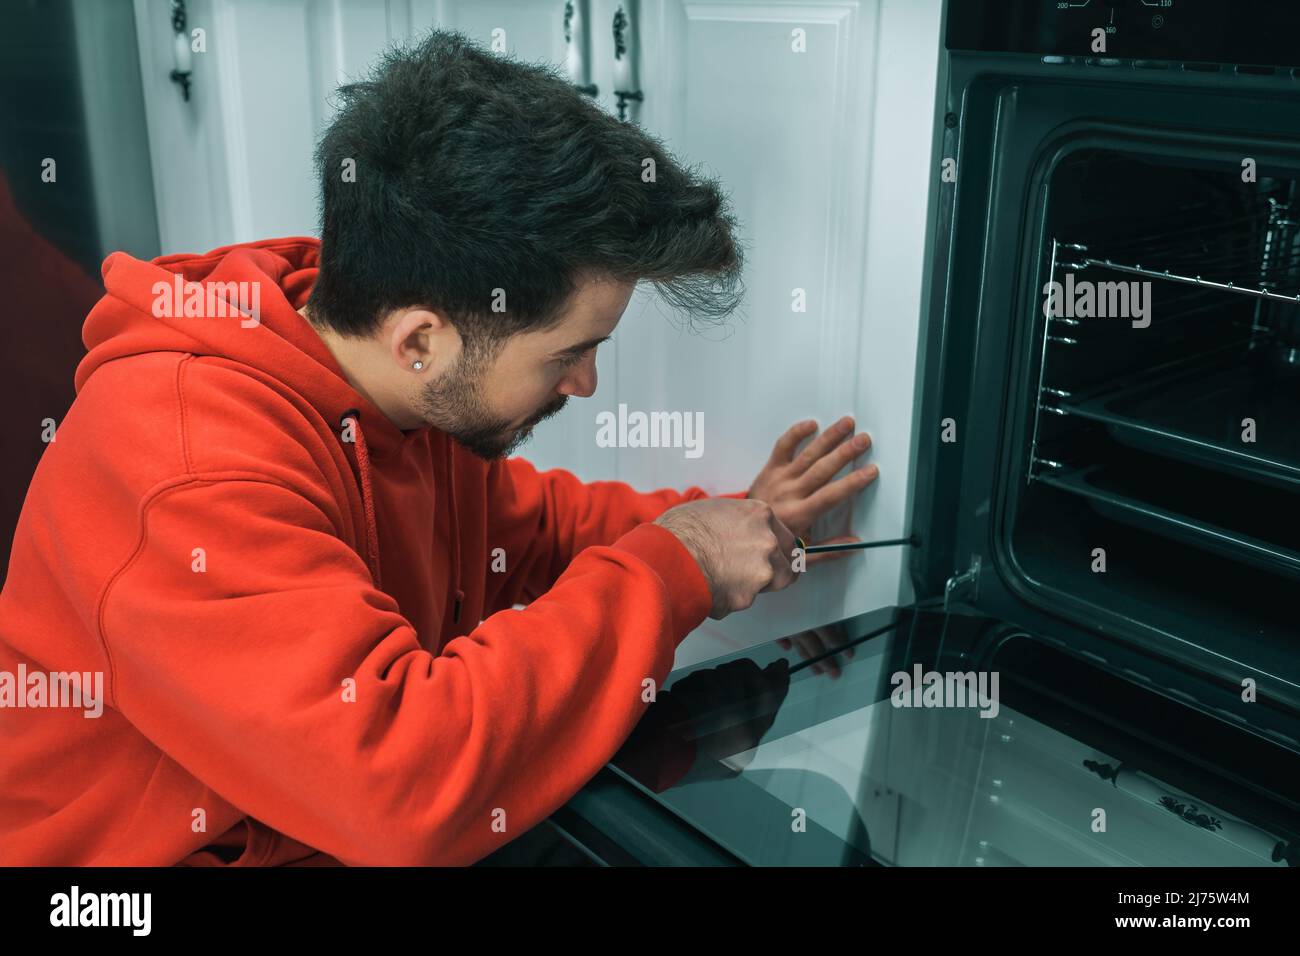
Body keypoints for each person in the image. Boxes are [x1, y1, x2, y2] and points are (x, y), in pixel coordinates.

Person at [0, 29, 876, 866]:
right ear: (420, 340)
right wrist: (677, 566)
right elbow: (397, 788)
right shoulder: (186, 470)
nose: (585, 386)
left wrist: (724, 524)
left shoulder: (388, 382)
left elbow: (531, 532)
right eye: (569, 353)